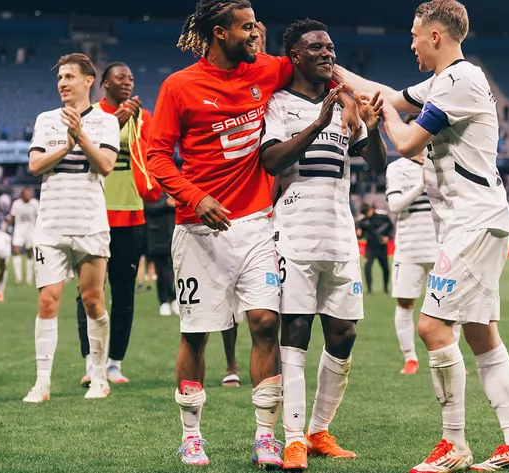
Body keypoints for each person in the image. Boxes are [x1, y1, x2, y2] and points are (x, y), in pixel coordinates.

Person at [146, 0, 361, 467]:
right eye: (247, 27)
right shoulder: (179, 86)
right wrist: (194, 196)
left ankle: (266, 435)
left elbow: (322, 65)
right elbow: (158, 155)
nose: (256, 34)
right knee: (198, 333)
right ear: (221, 34)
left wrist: (378, 102)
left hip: (259, 225)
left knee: (266, 324)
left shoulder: (265, 70)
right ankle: (191, 433)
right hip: (199, 229)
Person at [335, 1, 509, 470]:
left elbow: (407, 144)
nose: (409, 44)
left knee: (430, 326)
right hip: (476, 220)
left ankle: (455, 444)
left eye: (414, 34)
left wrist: (377, 116)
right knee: (481, 333)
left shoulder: (460, 80)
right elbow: (387, 93)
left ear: (435, 37)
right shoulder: (445, 80)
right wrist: (336, 72)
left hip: (472, 221)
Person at [260, 19, 387, 470]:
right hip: (294, 233)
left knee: (344, 332)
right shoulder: (278, 104)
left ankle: (318, 430)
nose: (327, 53)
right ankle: (292, 437)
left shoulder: (347, 104)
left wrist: (369, 126)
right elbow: (271, 161)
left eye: (330, 47)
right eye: (316, 48)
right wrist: (317, 123)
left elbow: (374, 164)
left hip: (339, 233)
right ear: (294, 56)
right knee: (294, 332)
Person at [24, 53, 119, 403]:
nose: (62, 83)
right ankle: (42, 383)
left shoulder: (107, 122)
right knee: (47, 301)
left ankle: (98, 376)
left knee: (93, 301)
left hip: (90, 222)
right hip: (50, 225)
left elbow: (106, 165)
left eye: (69, 77)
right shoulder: (46, 120)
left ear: (88, 81)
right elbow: (35, 164)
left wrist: (81, 136)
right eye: (60, 77)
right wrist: (66, 145)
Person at [75, 61, 161, 387]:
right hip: (94, 213)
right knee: (88, 293)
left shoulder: (143, 117)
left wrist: (134, 121)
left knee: (124, 293)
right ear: (104, 84)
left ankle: (114, 363)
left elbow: (150, 156)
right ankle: (90, 361)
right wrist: (113, 123)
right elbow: (83, 153)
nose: (127, 83)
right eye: (120, 78)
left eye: (131, 78)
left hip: (130, 213)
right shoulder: (91, 113)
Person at [385, 144, 460, 375]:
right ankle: (410, 359)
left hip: (442, 247)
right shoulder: (397, 168)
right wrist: (421, 185)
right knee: (406, 303)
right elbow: (395, 205)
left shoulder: (444, 164)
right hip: (410, 248)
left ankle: (452, 357)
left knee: (449, 305)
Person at [143, 192, 178, 316]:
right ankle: (163, 301)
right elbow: (147, 207)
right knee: (161, 269)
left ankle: (174, 298)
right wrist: (166, 204)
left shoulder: (175, 183)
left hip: (174, 231)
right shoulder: (153, 187)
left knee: (174, 269)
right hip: (157, 233)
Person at [356, 203, 393, 293]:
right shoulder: (362, 220)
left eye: (367, 212)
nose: (367, 214)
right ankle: (369, 289)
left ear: (371, 209)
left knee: (385, 268)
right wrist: (359, 233)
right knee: (367, 268)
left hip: (382, 247)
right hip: (370, 248)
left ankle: (385, 288)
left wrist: (388, 237)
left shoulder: (382, 216)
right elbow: (360, 233)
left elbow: (391, 227)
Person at [8, 188, 38, 286]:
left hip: (31, 231)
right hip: (19, 231)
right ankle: (18, 278)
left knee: (30, 254)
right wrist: (6, 227)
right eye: (26, 194)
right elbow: (12, 216)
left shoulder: (35, 203)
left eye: (29, 194)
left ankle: (29, 279)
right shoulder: (16, 204)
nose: (28, 196)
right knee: (16, 251)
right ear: (22, 195)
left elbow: (40, 217)